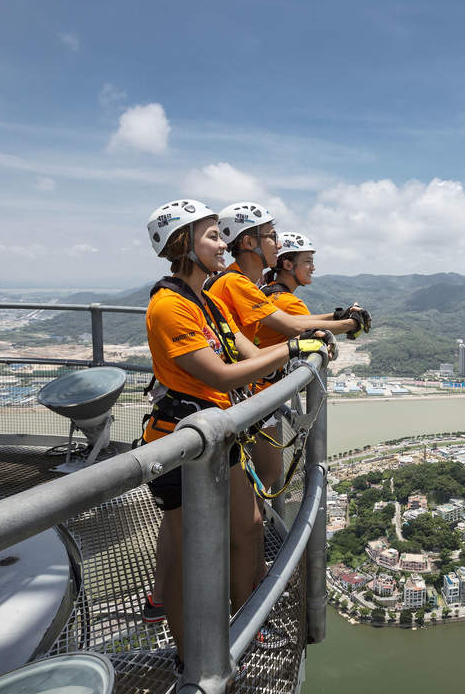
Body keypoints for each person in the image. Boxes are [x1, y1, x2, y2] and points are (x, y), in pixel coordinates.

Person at [140, 199, 327, 659]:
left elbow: (249, 354)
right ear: (182, 243)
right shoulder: (169, 307)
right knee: (189, 557)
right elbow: (221, 376)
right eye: (211, 236)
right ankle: (192, 660)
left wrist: (296, 345)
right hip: (180, 444)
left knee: (250, 529)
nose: (222, 244)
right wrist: (293, 349)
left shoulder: (204, 302)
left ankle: (246, 625)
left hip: (219, 435)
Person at [206, 204, 368, 496]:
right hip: (245, 391)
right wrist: (347, 323)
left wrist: (339, 318)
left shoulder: (247, 283)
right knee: (263, 473)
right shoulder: (237, 283)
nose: (278, 244)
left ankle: (247, 516)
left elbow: (291, 323)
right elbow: (293, 325)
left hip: (242, 389)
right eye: (271, 236)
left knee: (258, 474)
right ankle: (247, 519)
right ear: (250, 242)